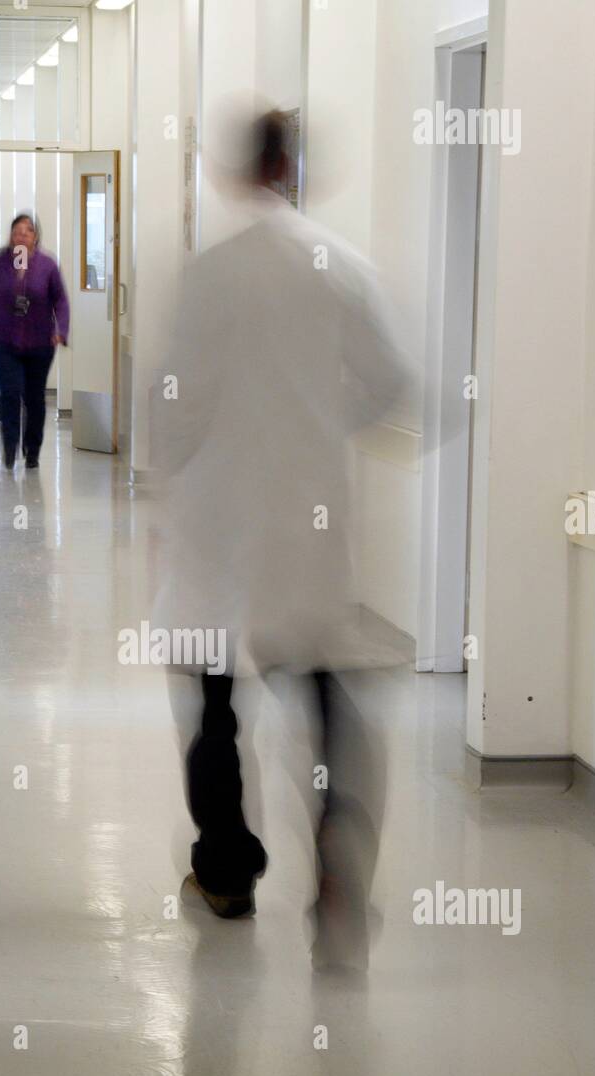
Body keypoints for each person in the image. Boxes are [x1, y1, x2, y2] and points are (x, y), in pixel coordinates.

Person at [153, 109, 411, 970]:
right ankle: (338, 858)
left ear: (239, 171)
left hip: (219, 531)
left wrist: (172, 466)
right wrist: (317, 426)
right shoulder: (342, 268)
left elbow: (176, 404)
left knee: (217, 704)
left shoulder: (211, 274)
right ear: (296, 170)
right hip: (308, 526)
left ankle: (226, 876)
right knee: (326, 691)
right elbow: (392, 382)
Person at [0, 213, 70, 469]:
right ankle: (10, 445)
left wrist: (61, 329)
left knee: (35, 398)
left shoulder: (47, 265)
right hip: (4, 342)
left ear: (35, 237)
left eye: (28, 231)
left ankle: (32, 449)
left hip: (40, 343)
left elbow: (60, 300)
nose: (22, 235)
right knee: (10, 393)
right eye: (17, 231)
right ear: (10, 236)